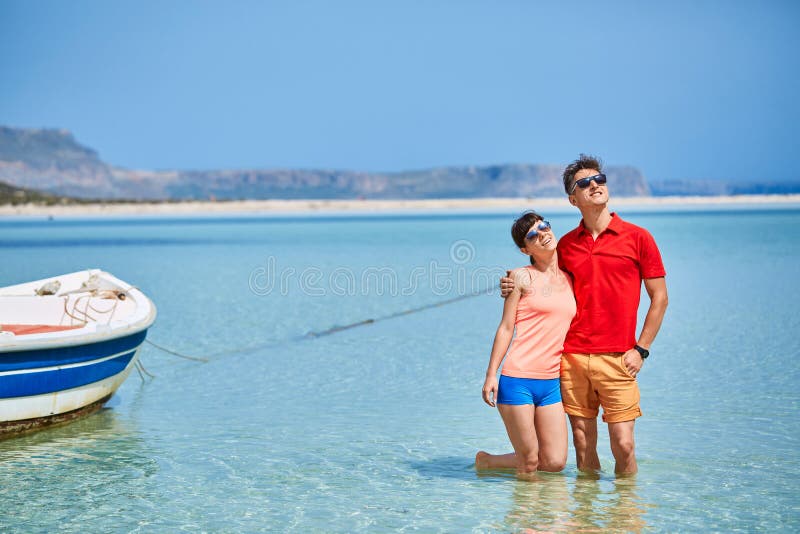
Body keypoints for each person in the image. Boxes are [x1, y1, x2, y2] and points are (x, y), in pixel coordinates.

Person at [496, 154, 668, 475]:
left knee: (624, 444)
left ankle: (626, 516)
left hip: (620, 357)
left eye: (599, 179)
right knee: (582, 445)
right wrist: (512, 281)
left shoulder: (639, 238)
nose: (595, 186)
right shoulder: (567, 245)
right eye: (585, 183)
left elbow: (659, 299)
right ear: (573, 199)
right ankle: (584, 518)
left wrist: (641, 349)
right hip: (572, 359)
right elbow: (540, 270)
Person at [475, 210, 576, 477]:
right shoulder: (521, 277)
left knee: (554, 463)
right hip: (518, 378)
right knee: (529, 462)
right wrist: (490, 375)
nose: (543, 234)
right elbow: (506, 328)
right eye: (533, 235)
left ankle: (487, 462)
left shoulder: (571, 277)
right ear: (524, 249)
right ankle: (527, 517)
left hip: (551, 382)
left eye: (545, 227)